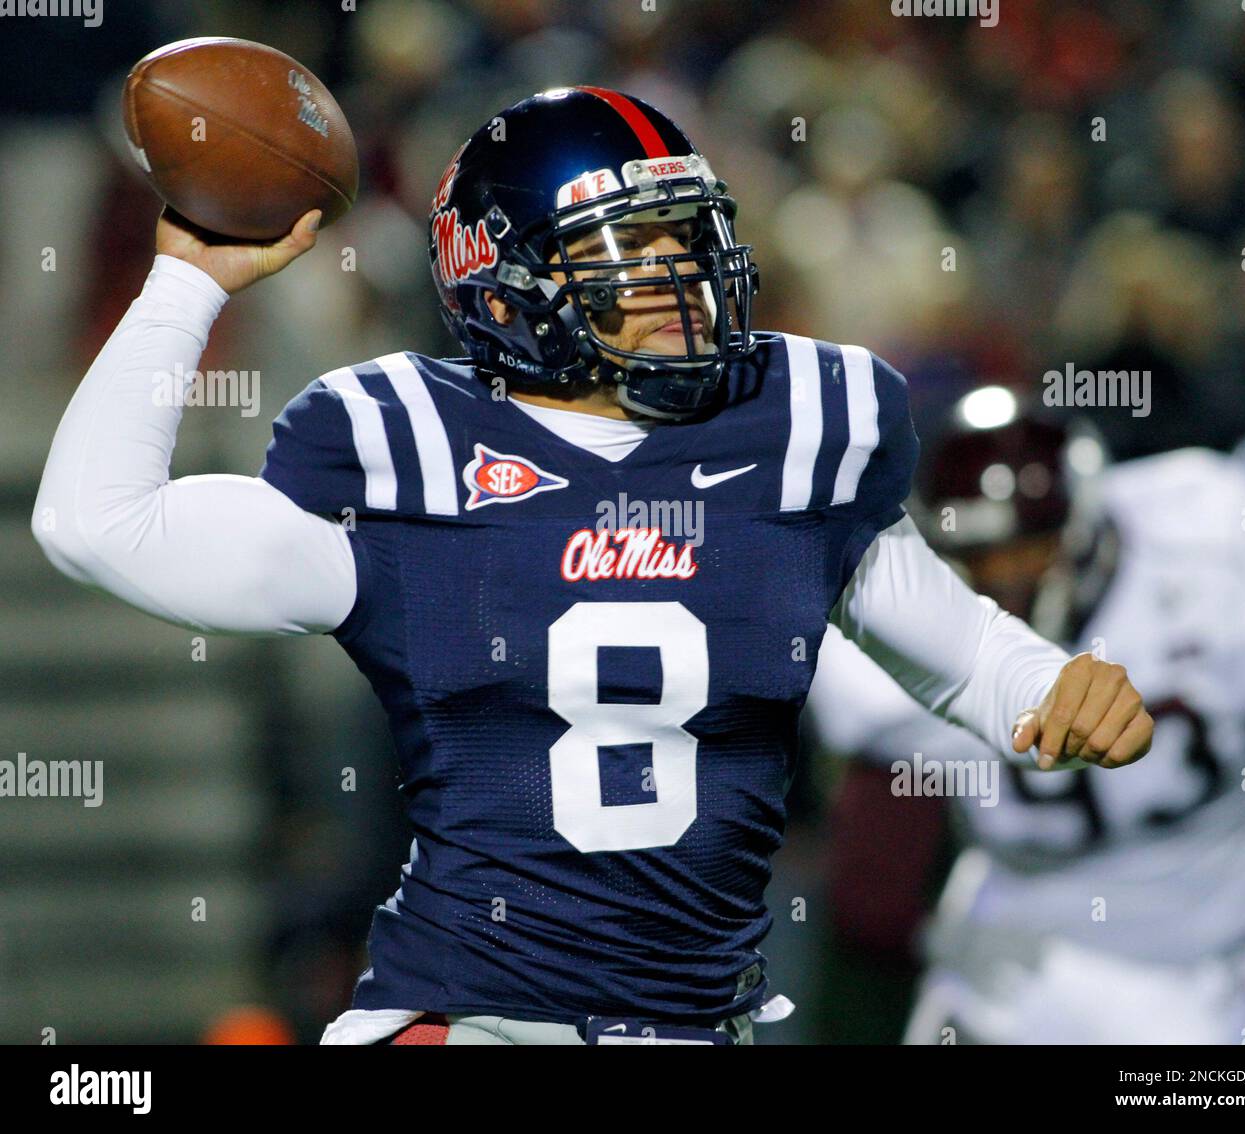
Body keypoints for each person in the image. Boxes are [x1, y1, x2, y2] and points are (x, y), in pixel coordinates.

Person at [32, 88, 1152, 1046]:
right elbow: (95, 523)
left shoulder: (793, 428)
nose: (679, 277)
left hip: (691, 1021)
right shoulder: (410, 452)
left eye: (686, 238)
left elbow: (956, 658)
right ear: (505, 281)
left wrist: (1051, 687)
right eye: (629, 251)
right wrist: (186, 282)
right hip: (473, 1012)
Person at [806, 389, 1245, 1044]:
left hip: (1228, 933)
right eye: (984, 559)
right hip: (1035, 951)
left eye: (1028, 551)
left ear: (1087, 521)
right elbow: (871, 895)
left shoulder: (1205, 533)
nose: (1007, 580)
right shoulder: (890, 649)